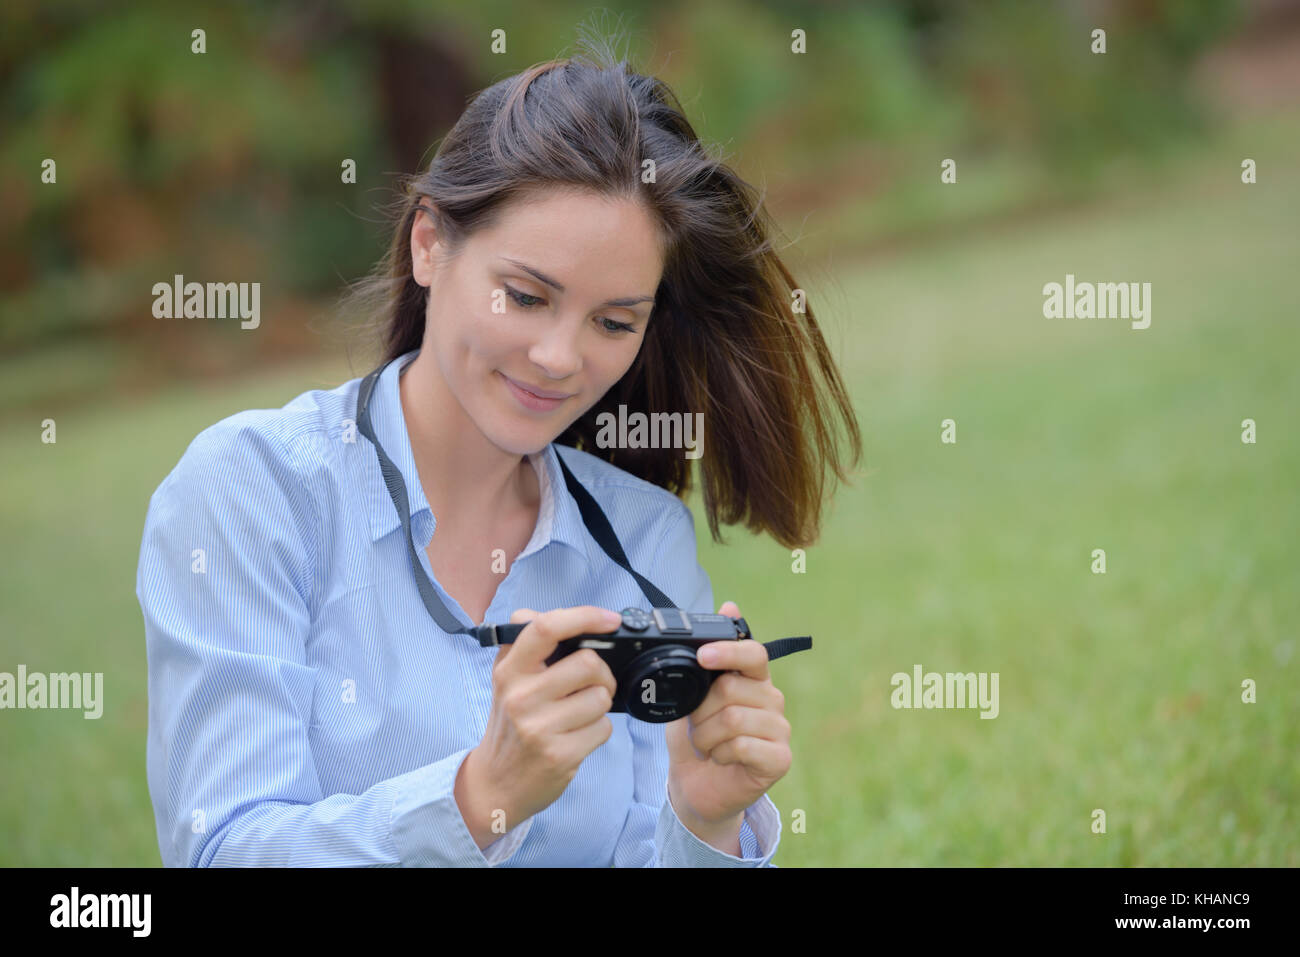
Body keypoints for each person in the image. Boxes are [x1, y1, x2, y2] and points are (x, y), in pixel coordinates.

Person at [136, 33, 861, 867]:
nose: (560, 357)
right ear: (429, 244)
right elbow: (221, 847)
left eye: (614, 322)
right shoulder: (249, 492)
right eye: (525, 295)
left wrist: (704, 820)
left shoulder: (643, 536)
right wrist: (482, 797)